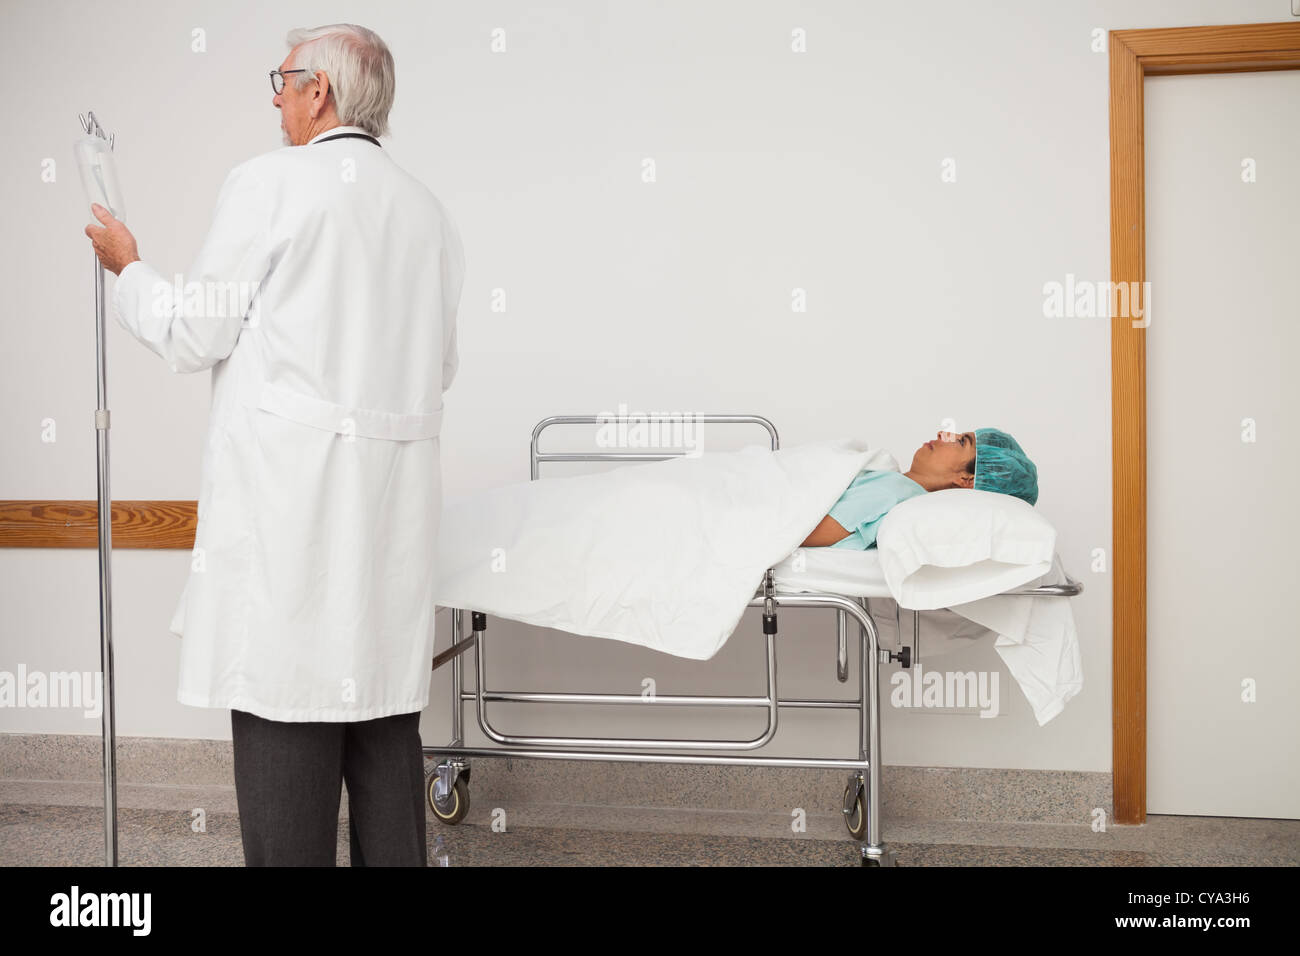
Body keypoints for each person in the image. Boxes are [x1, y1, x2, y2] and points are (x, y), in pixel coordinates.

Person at [83, 23, 465, 866]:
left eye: (283, 80)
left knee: (287, 783)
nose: (275, 96)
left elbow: (192, 334)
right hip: (387, 551)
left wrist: (128, 267)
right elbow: (434, 370)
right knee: (385, 778)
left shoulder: (270, 184)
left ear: (319, 91)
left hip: (292, 551)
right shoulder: (427, 213)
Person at [801, 428, 1039, 549]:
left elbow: (797, 531)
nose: (943, 433)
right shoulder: (896, 486)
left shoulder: (892, 491)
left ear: (966, 479)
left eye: (960, 441)